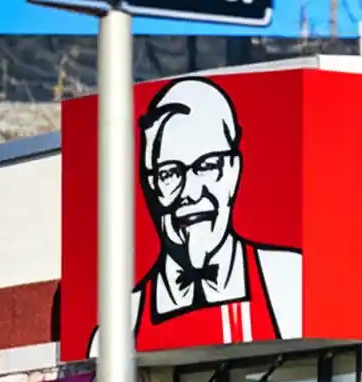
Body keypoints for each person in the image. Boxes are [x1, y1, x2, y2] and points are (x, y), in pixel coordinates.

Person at [87, 76, 302, 358]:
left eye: (207, 166)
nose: (190, 191)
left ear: (233, 171)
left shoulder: (289, 281)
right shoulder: (120, 326)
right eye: (169, 173)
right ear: (150, 185)